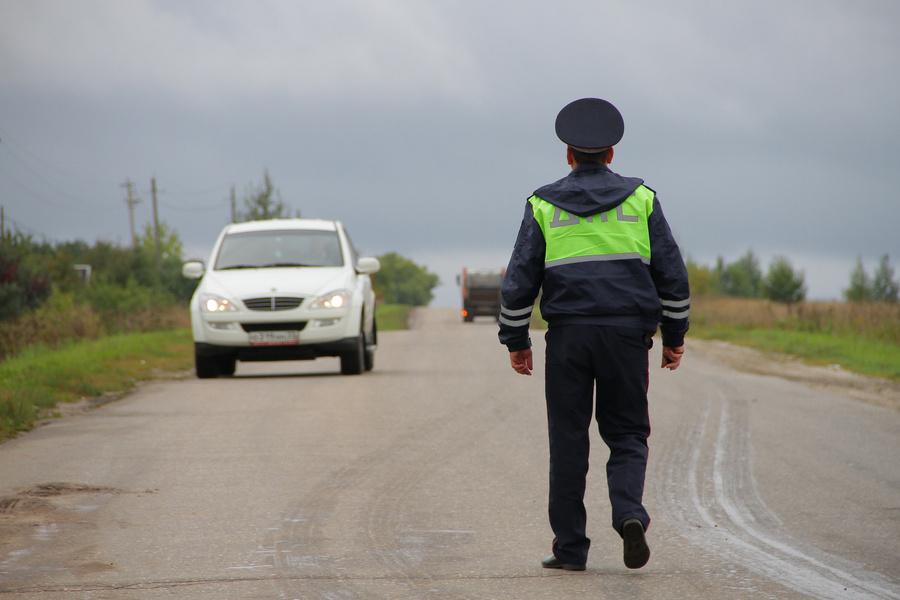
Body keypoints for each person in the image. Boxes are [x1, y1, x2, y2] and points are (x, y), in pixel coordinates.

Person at [498, 98, 690, 571]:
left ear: (569, 154)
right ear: (610, 154)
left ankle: (570, 550)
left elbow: (520, 278)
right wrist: (674, 334)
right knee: (627, 432)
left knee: (568, 440)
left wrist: (517, 340)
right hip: (627, 337)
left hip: (567, 338)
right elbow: (671, 274)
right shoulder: (642, 199)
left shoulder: (543, 204)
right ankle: (628, 515)